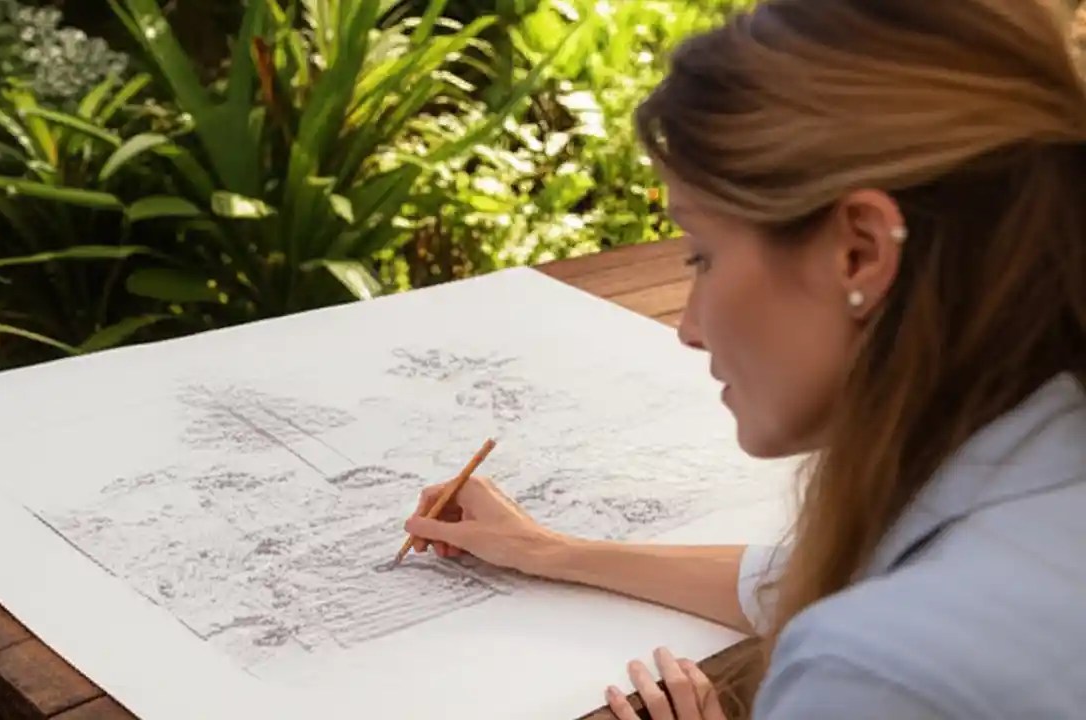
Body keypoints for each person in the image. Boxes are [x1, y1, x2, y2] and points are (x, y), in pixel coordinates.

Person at [402, 0, 1086, 718]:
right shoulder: (1041, 452)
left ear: (860, 251)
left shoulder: (875, 671)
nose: (688, 328)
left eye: (703, 254)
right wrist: (549, 550)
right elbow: (796, 577)